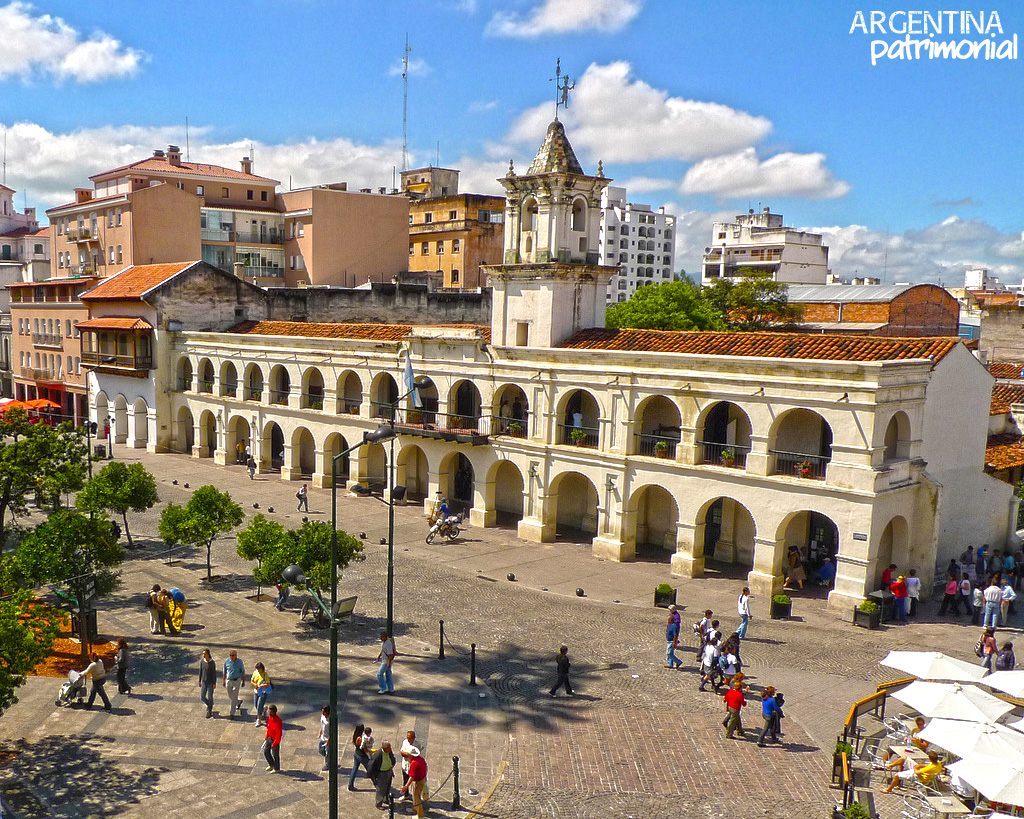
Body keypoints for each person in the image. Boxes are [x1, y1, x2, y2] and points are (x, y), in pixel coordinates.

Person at [399, 746, 428, 819]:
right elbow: (425, 767)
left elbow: (411, 777)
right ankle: (415, 808)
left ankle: (420, 815)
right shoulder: (421, 759)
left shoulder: (414, 763)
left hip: (417, 782)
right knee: (415, 797)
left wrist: (406, 786)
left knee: (417, 798)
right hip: (422, 779)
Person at [368, 739, 396, 809]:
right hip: (381, 773)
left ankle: (385, 799)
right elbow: (371, 765)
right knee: (380, 789)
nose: (390, 749)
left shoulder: (389, 751)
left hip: (389, 771)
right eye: (389, 747)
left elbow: (392, 758)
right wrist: (373, 776)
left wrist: (392, 764)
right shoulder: (378, 755)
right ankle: (378, 803)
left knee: (387, 787)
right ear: (384, 748)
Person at [348, 724, 373, 790]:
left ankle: (350, 785)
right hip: (362, 757)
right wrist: (369, 754)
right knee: (370, 770)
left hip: (356, 754)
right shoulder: (361, 739)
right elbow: (365, 749)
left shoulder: (355, 736)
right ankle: (377, 785)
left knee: (354, 769)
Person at [223, 650, 245, 718]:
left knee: (234, 696)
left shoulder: (239, 662)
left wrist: (243, 681)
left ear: (236, 655)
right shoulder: (227, 661)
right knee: (230, 694)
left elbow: (243, 671)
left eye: (233, 655)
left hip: (237, 680)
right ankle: (238, 702)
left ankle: (232, 713)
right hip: (229, 680)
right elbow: (224, 671)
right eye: (230, 655)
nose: (231, 657)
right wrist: (223, 680)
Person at [263, 704, 282, 772]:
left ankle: (277, 768)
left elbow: (279, 733)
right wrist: (267, 735)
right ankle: (271, 764)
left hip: (275, 740)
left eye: (271, 712)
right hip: (269, 738)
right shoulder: (269, 718)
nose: (269, 713)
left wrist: (275, 743)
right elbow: (269, 728)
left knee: (275, 755)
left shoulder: (278, 721)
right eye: (269, 711)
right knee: (266, 751)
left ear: (274, 712)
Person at [400, 730, 420, 796]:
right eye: (407, 737)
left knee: (414, 782)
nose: (408, 739)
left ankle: (415, 796)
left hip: (413, 766)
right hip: (405, 765)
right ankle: (406, 794)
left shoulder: (417, 744)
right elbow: (402, 752)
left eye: (410, 738)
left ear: (414, 738)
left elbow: (417, 755)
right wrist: (408, 755)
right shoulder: (405, 742)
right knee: (405, 780)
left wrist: (407, 754)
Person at [198, 648, 216, 718]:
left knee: (210, 696)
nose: (203, 655)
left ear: (208, 654)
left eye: (205, 654)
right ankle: (210, 704)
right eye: (203, 654)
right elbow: (200, 671)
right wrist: (199, 680)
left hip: (210, 682)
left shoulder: (212, 663)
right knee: (202, 696)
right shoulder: (202, 661)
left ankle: (209, 711)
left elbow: (214, 673)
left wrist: (214, 683)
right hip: (204, 681)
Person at [318, 705, 331, 772]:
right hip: (323, 737)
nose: (322, 713)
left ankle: (327, 765)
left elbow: (332, 731)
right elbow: (322, 724)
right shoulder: (322, 716)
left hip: (327, 739)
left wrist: (329, 740)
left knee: (327, 753)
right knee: (320, 750)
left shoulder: (330, 720)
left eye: (324, 712)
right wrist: (321, 731)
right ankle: (330, 759)